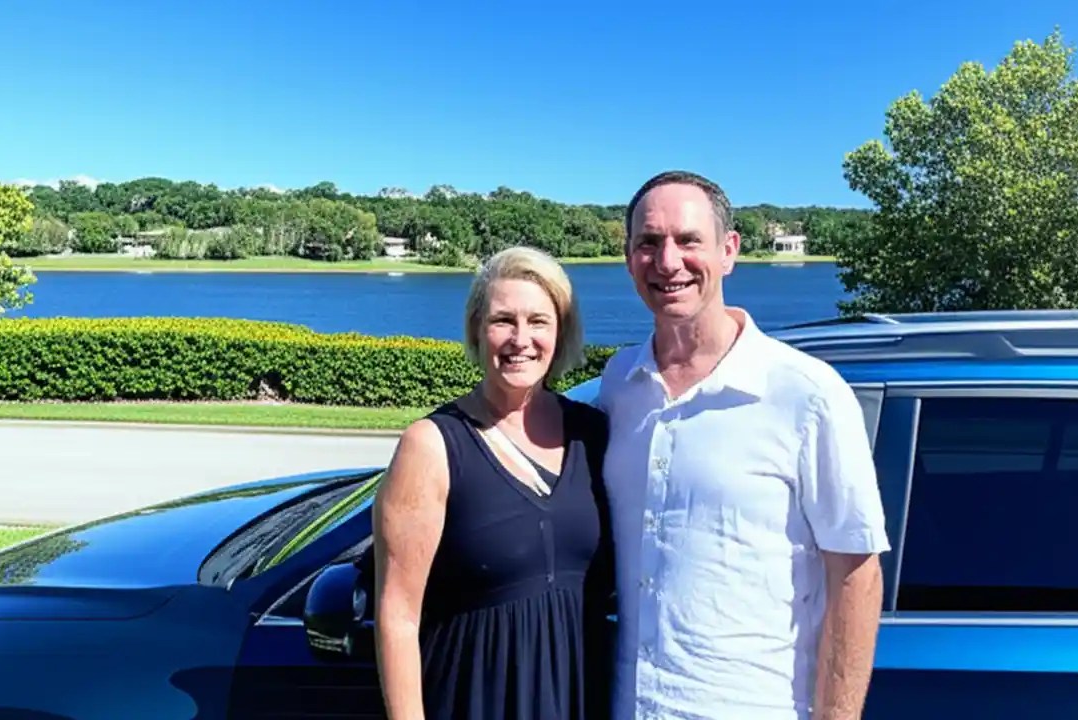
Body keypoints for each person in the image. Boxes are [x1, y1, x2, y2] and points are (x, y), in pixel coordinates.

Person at [596, 170, 890, 720]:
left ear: (729, 251)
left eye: (688, 241)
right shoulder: (619, 386)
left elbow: (855, 572)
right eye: (648, 242)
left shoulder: (806, 393)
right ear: (629, 256)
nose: (668, 261)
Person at [372, 245, 615, 720]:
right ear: (477, 330)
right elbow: (397, 616)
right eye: (503, 320)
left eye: (539, 321)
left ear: (561, 331)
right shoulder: (433, 445)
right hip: (472, 700)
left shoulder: (594, 435)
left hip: (580, 699)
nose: (521, 338)